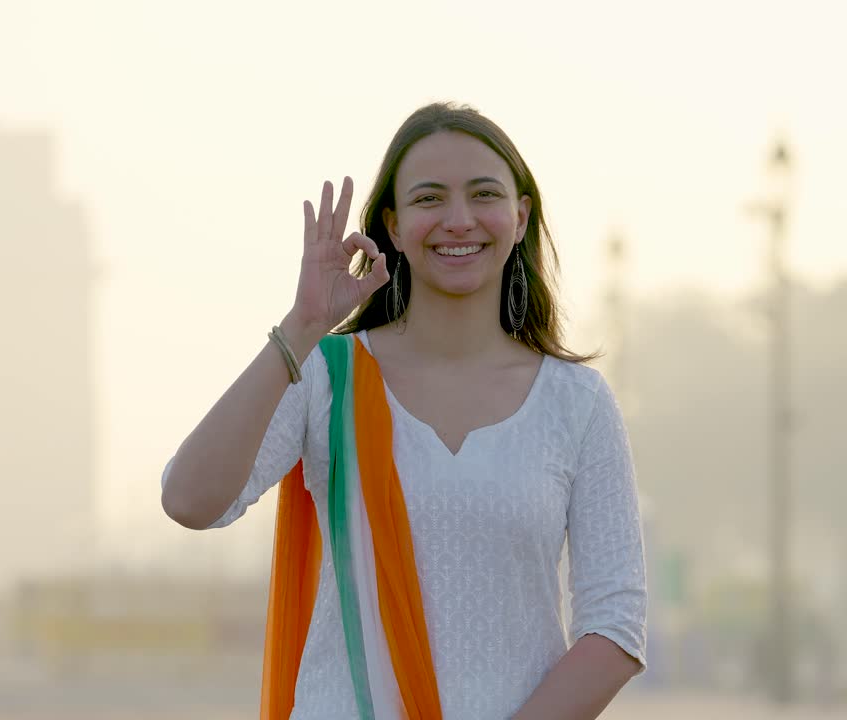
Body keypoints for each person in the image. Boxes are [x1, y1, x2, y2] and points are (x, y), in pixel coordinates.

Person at [160, 102, 648, 720]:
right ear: (391, 225)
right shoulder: (327, 376)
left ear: (520, 215)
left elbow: (615, 622)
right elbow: (190, 501)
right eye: (429, 199)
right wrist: (302, 327)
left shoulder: (576, 402)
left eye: (484, 194)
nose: (459, 219)